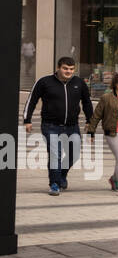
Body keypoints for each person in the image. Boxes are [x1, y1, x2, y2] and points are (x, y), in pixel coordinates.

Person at [23, 56, 93, 196]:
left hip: (72, 126)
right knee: (55, 154)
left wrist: (90, 122)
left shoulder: (79, 83)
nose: (68, 71)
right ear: (58, 68)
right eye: (65, 68)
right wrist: (27, 119)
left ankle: (62, 175)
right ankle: (54, 183)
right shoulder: (44, 82)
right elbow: (32, 100)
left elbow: (86, 102)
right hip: (51, 125)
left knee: (74, 154)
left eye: (71, 69)